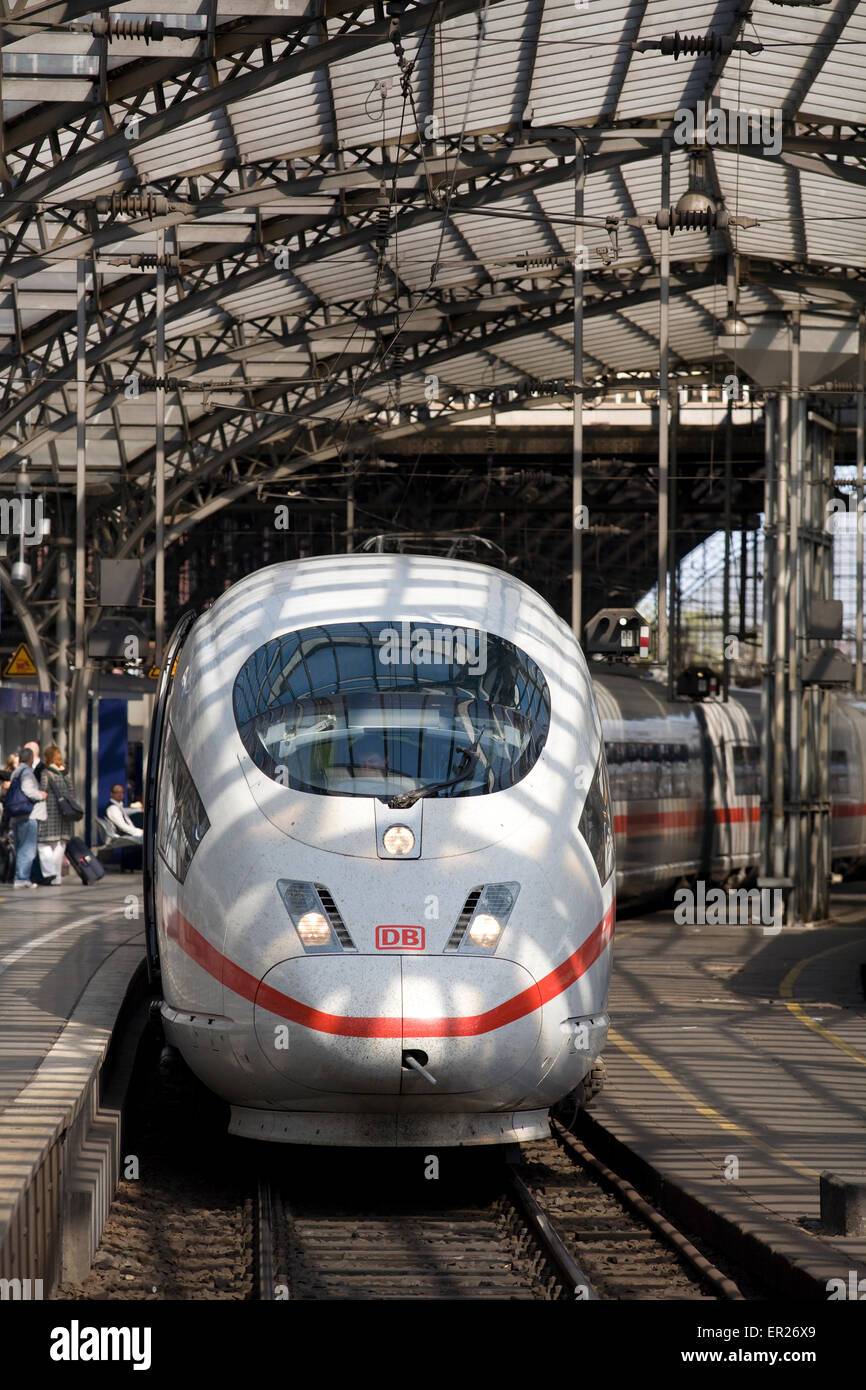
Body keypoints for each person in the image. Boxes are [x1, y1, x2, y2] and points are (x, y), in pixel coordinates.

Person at [38, 745, 78, 885]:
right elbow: (71, 792)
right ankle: (57, 878)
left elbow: (42, 791)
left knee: (43, 844)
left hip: (50, 813)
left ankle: (50, 872)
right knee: (60, 844)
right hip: (65, 813)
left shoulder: (46, 773)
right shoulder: (67, 773)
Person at [7, 748, 47, 888]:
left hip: (16, 815)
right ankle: (22, 878)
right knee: (28, 848)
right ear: (30, 759)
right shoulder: (27, 773)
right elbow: (28, 790)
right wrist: (41, 795)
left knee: (20, 847)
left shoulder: (15, 772)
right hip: (28, 814)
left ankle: (21, 876)